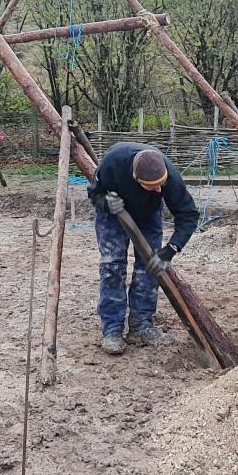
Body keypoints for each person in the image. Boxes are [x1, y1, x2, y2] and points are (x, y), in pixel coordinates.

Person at [88, 142, 200, 356]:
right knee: (112, 267)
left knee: (150, 268)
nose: (159, 189)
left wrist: (171, 250)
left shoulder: (170, 176)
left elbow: (188, 215)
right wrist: (105, 202)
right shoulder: (114, 162)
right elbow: (94, 193)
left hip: (148, 215)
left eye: (161, 184)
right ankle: (112, 329)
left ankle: (141, 325)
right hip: (113, 214)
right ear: (136, 179)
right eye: (152, 186)